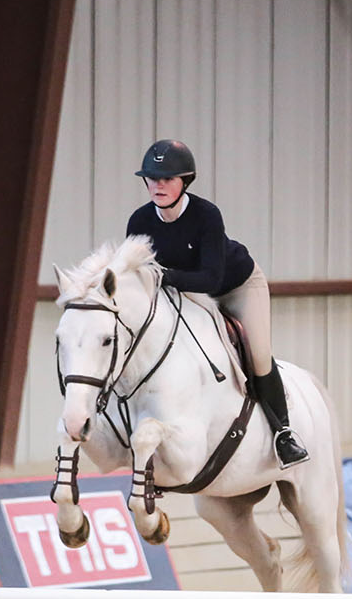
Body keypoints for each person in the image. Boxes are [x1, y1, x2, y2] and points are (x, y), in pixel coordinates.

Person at [125, 139, 309, 469]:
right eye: (153, 178)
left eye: (167, 179)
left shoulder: (206, 215)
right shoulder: (139, 222)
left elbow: (209, 279)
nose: (159, 185)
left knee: (258, 354)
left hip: (236, 286)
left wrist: (163, 276)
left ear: (185, 182)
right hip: (186, 294)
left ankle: (284, 434)